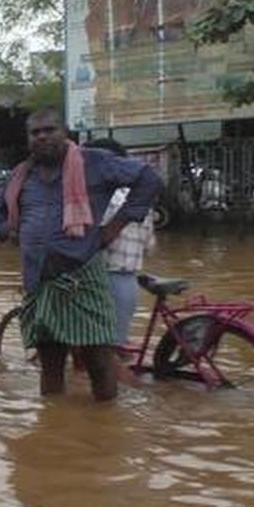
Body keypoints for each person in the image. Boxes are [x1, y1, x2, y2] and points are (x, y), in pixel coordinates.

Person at [0, 107, 162, 401]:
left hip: (82, 276)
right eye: (35, 133)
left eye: (50, 130)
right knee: (50, 365)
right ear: (28, 139)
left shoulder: (94, 163)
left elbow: (148, 179)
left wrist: (115, 226)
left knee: (99, 361)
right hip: (38, 281)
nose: (42, 137)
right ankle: (53, 425)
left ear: (65, 133)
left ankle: (106, 428)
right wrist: (7, 228)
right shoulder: (22, 175)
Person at [85, 138, 156, 353]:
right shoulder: (141, 199)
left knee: (95, 355)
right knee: (112, 349)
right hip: (129, 283)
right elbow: (149, 245)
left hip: (103, 284)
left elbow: (85, 242)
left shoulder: (102, 198)